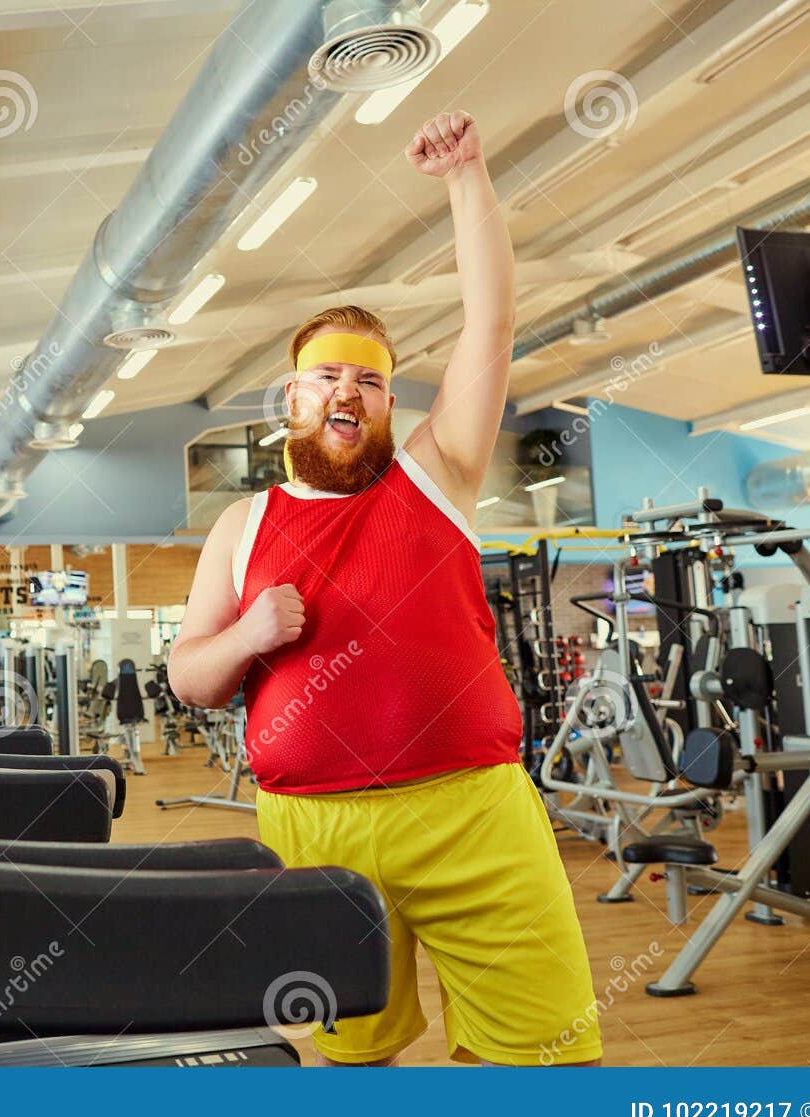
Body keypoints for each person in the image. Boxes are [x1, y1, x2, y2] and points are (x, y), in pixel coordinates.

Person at [168, 112, 600, 1067]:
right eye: (325, 375)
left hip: (474, 812)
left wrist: (466, 176)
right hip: (316, 829)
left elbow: (491, 322)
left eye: (366, 379)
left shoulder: (436, 474)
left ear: (389, 403)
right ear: (291, 397)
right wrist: (246, 638)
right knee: (356, 1061)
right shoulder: (241, 529)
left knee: (549, 1058)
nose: (345, 391)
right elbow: (189, 676)